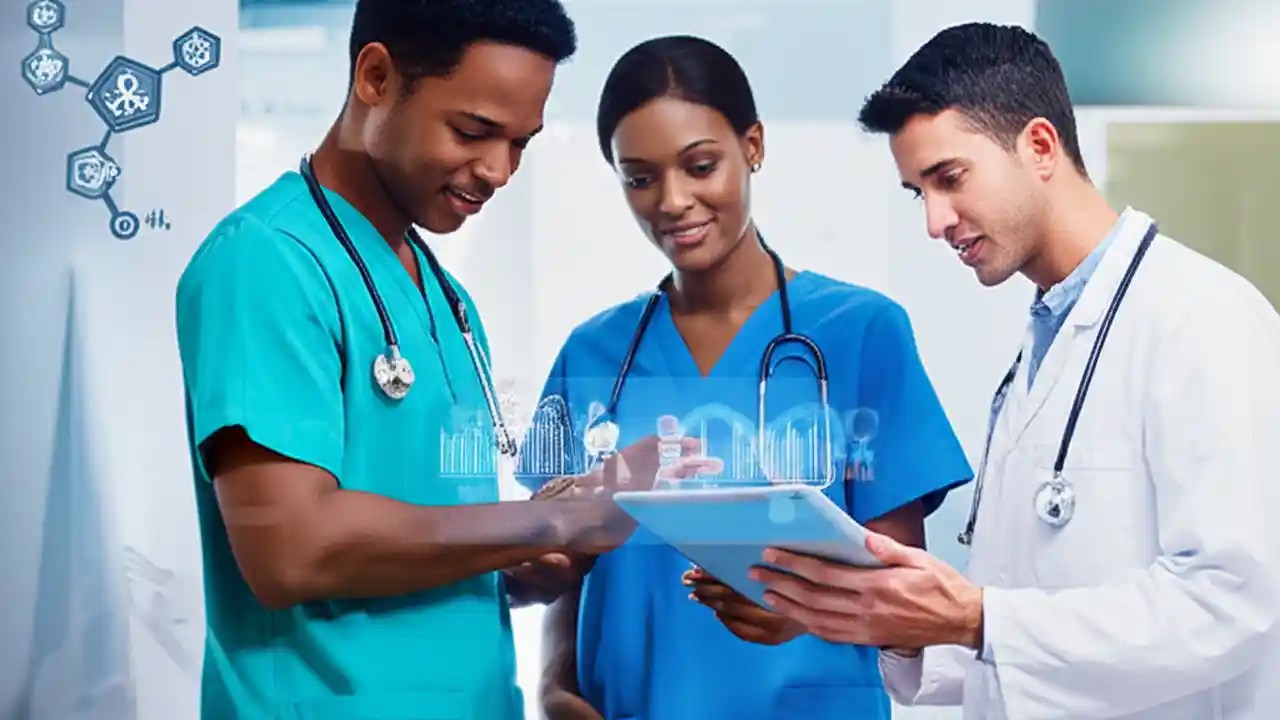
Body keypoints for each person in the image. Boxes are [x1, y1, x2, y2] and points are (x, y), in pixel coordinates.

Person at [173, 3, 719, 718]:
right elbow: (290, 550)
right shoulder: (266, 261)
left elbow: (429, 536)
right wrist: (549, 523)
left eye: (521, 142)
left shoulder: (446, 299)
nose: (498, 170)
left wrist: (527, 559)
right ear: (375, 77)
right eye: (472, 131)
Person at [752, 22, 1280, 720]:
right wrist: (888, 621)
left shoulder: (1203, 318)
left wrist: (978, 617)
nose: (935, 221)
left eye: (949, 179)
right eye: (919, 192)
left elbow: (1232, 601)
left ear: (1039, 146)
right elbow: (1014, 619)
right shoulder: (1047, 339)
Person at [517, 35, 973, 720]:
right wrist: (555, 687)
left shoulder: (862, 332)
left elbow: (903, 585)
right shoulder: (593, 353)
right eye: (639, 178)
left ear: (752, 146)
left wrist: (802, 614)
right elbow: (564, 570)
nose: (672, 201)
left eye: (700, 165)